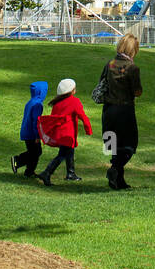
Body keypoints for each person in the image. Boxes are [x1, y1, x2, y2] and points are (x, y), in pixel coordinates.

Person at [100, 34, 142, 191]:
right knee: (129, 146)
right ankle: (114, 171)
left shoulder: (109, 64)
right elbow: (137, 91)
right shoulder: (132, 68)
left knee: (114, 147)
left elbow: (101, 84)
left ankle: (119, 180)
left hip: (109, 110)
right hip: (125, 111)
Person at [36, 78, 92, 186]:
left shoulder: (57, 103)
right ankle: (47, 173)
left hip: (60, 134)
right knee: (62, 155)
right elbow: (82, 116)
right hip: (68, 134)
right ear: (71, 91)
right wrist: (88, 129)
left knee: (69, 152)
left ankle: (71, 173)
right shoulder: (74, 101)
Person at [11, 78, 48, 178]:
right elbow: (36, 121)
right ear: (41, 92)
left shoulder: (31, 102)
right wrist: (37, 135)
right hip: (31, 133)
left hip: (26, 131)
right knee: (36, 152)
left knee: (34, 152)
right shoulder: (38, 104)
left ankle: (29, 171)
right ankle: (18, 161)